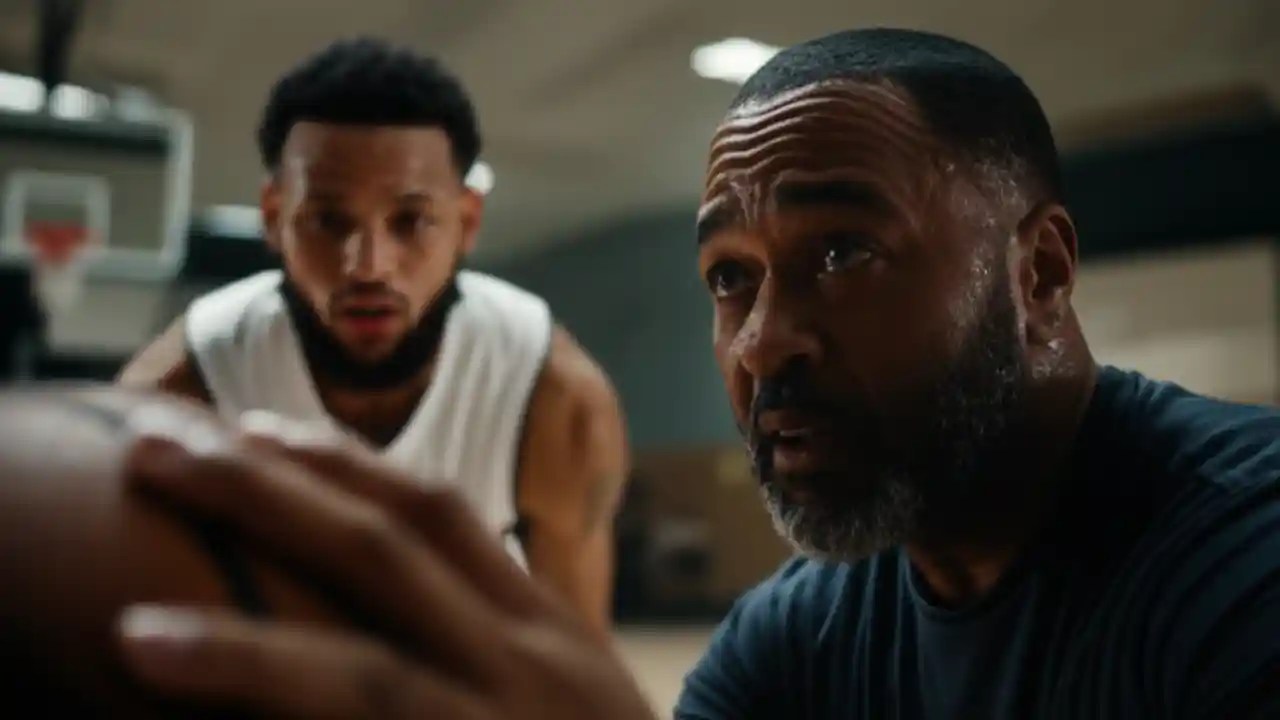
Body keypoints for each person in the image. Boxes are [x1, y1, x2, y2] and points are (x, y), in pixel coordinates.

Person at [105, 27, 1277, 719]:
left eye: (842, 252)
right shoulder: (796, 637)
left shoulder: (1239, 564)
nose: (762, 340)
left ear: (1039, 274)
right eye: (728, 277)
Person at [117, 38, 629, 635]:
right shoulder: (180, 388)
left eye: (410, 220)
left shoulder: (557, 399)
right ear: (274, 217)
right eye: (328, 220)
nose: (367, 266)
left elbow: (576, 664)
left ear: (466, 221)